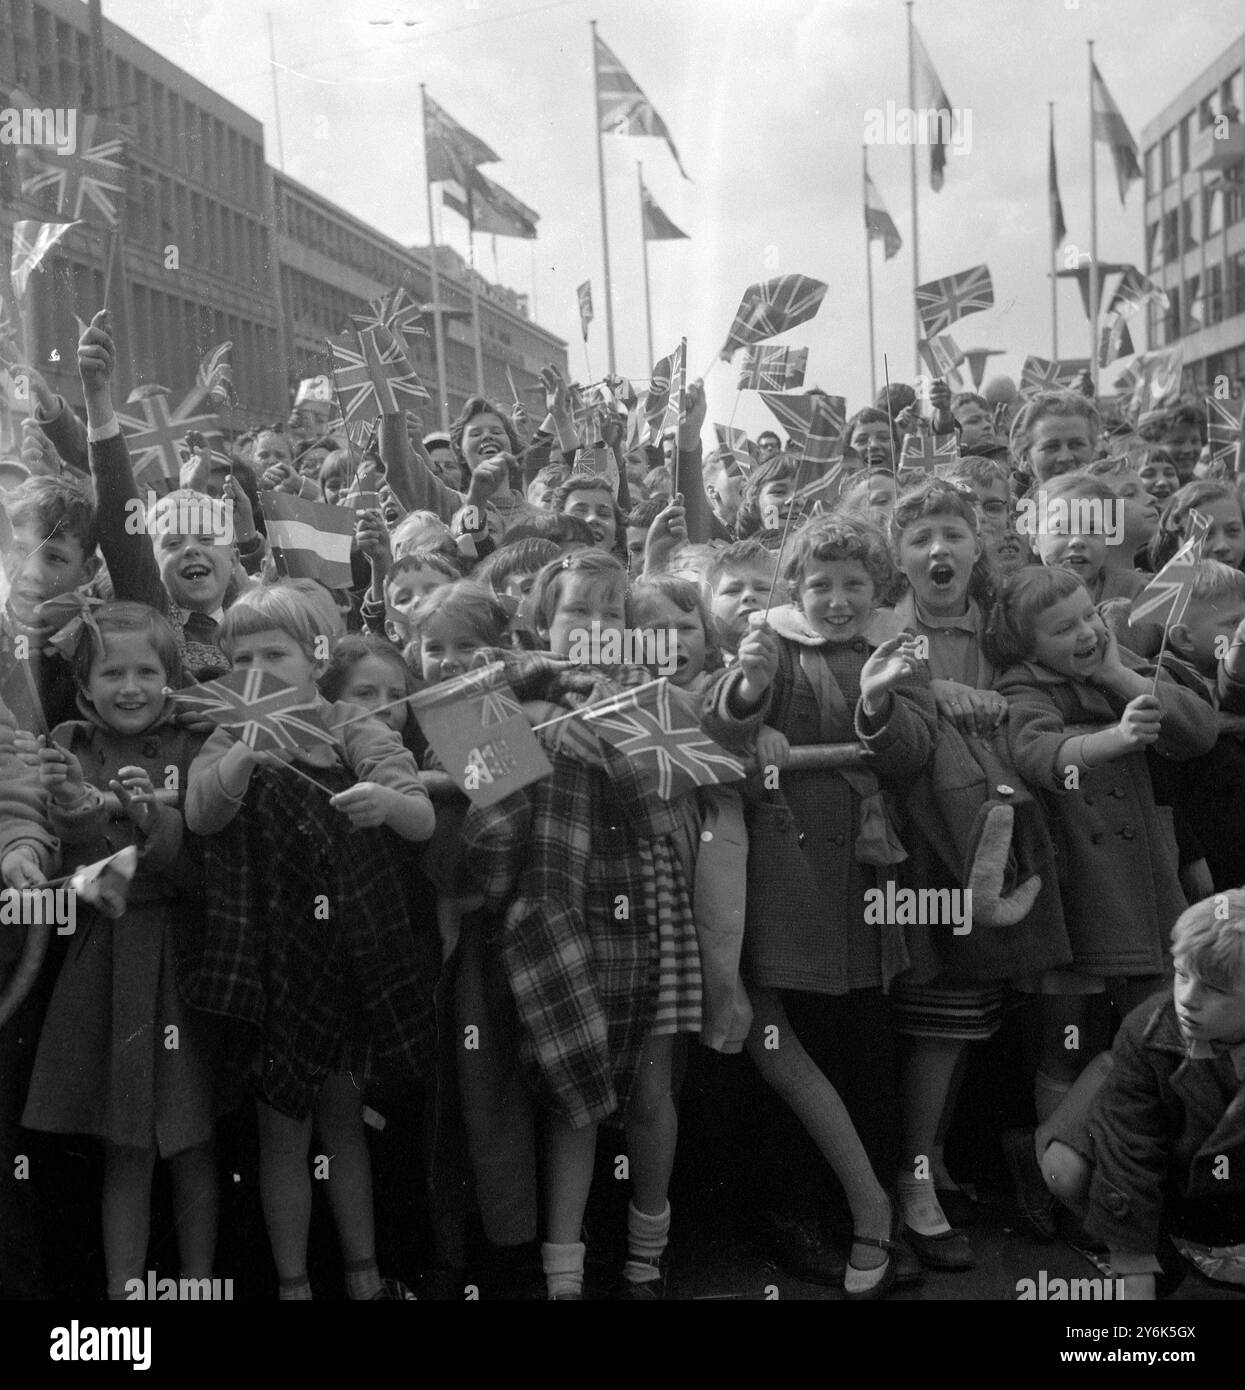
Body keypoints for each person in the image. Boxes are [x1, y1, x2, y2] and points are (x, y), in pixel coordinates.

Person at [184, 581, 438, 1300]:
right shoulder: (231, 730)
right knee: (280, 1134)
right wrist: (242, 758)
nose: (259, 669)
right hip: (272, 957)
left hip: (349, 952)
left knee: (344, 1124)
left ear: (313, 656)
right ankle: (293, 1283)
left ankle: (363, 1275)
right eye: (243, 657)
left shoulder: (348, 723)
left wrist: (385, 802)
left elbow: (419, 815)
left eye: (276, 653)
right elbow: (202, 814)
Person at [709, 513, 935, 1297]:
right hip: (786, 877)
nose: (836, 600)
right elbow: (719, 732)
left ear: (877, 590)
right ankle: (796, 1216)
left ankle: (871, 1217)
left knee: (864, 1054)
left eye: (852, 585)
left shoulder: (895, 652)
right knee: (787, 1054)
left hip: (868, 888)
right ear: (795, 589)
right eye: (819, 585)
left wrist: (877, 704)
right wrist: (748, 688)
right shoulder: (763, 645)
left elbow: (914, 752)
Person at [986, 565, 1217, 1234]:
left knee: (1154, 1024)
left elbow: (1197, 731)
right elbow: (1038, 752)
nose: (1086, 632)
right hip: (1075, 891)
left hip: (1144, 886)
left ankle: (1068, 1158)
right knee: (1066, 1036)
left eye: (1089, 615)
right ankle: (1049, 1166)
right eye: (1063, 629)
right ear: (1025, 645)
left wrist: (1121, 678)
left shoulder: (1120, 665)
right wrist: (1111, 738)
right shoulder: (1023, 685)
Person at [24, 603, 220, 1300]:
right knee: (125, 1145)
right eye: (112, 671)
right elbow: (65, 867)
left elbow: (204, 874)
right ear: (85, 684)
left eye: (147, 670)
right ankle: (125, 1301)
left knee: (195, 1141)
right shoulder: (67, 746)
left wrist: (152, 820)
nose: (129, 686)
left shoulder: (201, 746)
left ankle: (200, 1288)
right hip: (104, 969)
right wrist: (75, 812)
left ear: (173, 679)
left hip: (185, 962)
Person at [1037, 892, 1245, 1297]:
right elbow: (1129, 1156)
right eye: (1183, 975)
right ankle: (1154, 1250)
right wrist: (1136, 1272)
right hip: (1144, 1107)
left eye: (1214, 988)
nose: (1186, 999)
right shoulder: (1149, 1030)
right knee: (1065, 1169)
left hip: (1214, 1157)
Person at [703, 540, 778, 659]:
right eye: (732, 591)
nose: (748, 596)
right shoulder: (691, 668)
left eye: (762, 588)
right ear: (707, 608)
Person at [1009, 390, 1100, 485]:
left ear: (1093, 449)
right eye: (1051, 447)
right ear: (1026, 457)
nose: (1065, 457)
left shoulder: (1111, 498)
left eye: (1076, 445)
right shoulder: (1006, 498)